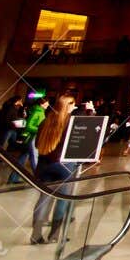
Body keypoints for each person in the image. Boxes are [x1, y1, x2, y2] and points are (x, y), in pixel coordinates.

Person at [30, 94, 78, 244]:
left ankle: (36, 235)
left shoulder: (46, 121)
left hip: (44, 165)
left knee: (43, 199)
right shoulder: (70, 122)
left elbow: (38, 144)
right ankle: (55, 235)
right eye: (73, 105)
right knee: (62, 200)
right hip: (64, 165)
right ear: (68, 105)